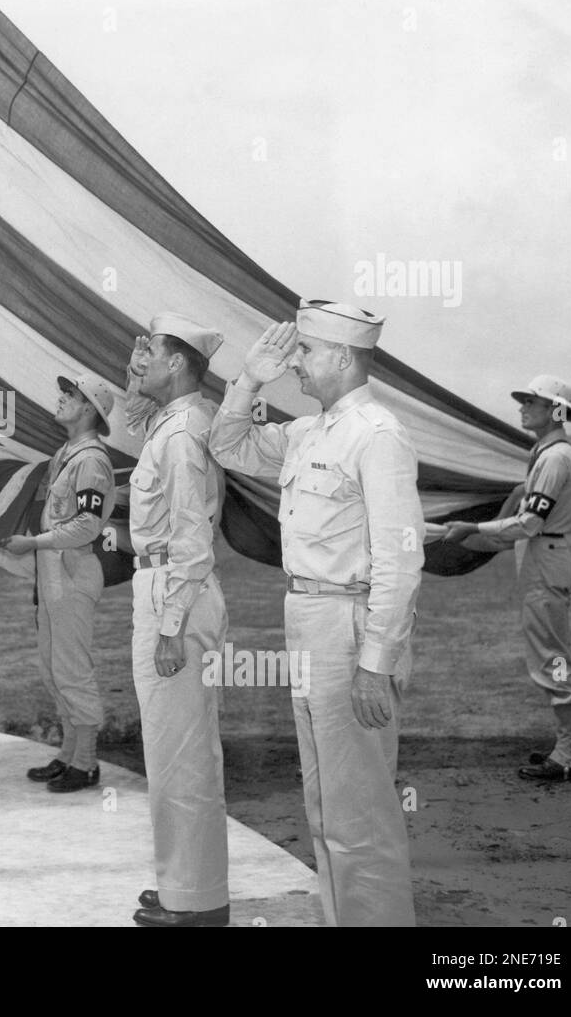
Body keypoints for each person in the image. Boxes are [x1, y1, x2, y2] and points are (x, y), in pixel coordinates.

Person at [208, 301, 423, 928]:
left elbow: (401, 560)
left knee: (360, 808)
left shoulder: (378, 436)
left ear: (344, 356)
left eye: (304, 350)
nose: (295, 362)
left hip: (350, 626)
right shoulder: (309, 433)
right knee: (326, 799)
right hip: (306, 617)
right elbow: (229, 445)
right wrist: (249, 379)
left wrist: (375, 664)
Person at [125, 314, 230, 927]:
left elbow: (192, 536)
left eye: (152, 352)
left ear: (180, 363)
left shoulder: (185, 429)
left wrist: (170, 626)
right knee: (170, 752)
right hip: (166, 583)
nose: (140, 359)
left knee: (182, 753)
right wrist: (138, 369)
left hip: (177, 591)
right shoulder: (172, 419)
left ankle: (196, 903)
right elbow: (134, 404)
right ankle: (182, 888)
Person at [442, 375, 571, 782]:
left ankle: (568, 754)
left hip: (545, 556)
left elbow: (528, 523)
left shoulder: (556, 458)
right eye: (524, 399)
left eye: (533, 401)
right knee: (554, 653)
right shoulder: (548, 453)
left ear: (555, 410)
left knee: (552, 657)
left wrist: (475, 528)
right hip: (544, 556)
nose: (523, 406)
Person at [3, 374, 117, 792]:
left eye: (70, 395)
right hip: (54, 571)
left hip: (73, 569)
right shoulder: (66, 453)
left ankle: (86, 762)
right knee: (53, 667)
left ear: (89, 408)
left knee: (72, 669)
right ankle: (69, 753)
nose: (61, 399)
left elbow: (87, 525)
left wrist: (33, 542)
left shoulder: (91, 460)